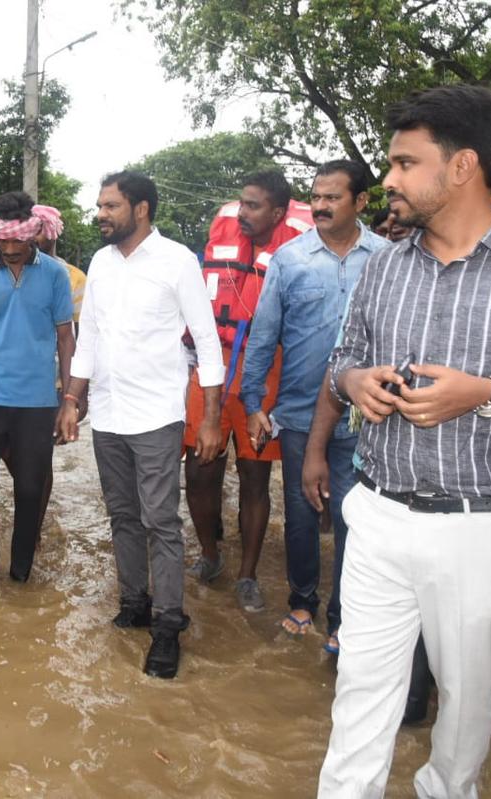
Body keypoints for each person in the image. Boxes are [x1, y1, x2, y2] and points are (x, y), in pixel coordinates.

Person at [319, 85, 491, 798]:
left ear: (462, 166)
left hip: (485, 525)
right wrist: (357, 380)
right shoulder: (384, 265)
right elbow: (342, 360)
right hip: (377, 512)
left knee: (466, 708)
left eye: (405, 163)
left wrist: (485, 393)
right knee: (360, 691)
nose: (390, 180)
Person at [60, 171, 224, 679]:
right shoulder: (100, 265)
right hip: (107, 413)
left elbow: (207, 340)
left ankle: (169, 624)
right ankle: (134, 601)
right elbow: (88, 339)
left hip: (157, 413)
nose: (101, 214)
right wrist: (72, 399)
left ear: (141, 208)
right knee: (122, 515)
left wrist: (212, 419)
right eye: (100, 205)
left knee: (161, 521)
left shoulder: (177, 261)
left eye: (110, 206)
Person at [241, 160, 387, 652]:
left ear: (361, 202)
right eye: (316, 197)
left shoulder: (388, 259)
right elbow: (264, 334)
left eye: (332, 197)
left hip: (369, 414)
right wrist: (253, 400)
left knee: (356, 518)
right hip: (301, 413)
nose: (321, 206)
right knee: (304, 514)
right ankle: (302, 601)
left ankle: (345, 616)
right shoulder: (289, 259)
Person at [185, 171, 313, 613]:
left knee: (255, 478)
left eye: (254, 206)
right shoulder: (224, 241)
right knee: (199, 471)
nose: (242, 213)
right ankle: (210, 555)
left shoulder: (298, 255)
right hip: (212, 369)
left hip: (265, 374)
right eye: (241, 203)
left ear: (278, 213)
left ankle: (248, 575)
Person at [0, 193, 74, 583]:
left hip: (38, 400)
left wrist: (68, 399)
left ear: (34, 232)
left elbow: (65, 339)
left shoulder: (55, 275)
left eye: (17, 240)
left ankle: (21, 573)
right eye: (2, 240)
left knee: (31, 488)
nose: (9, 249)